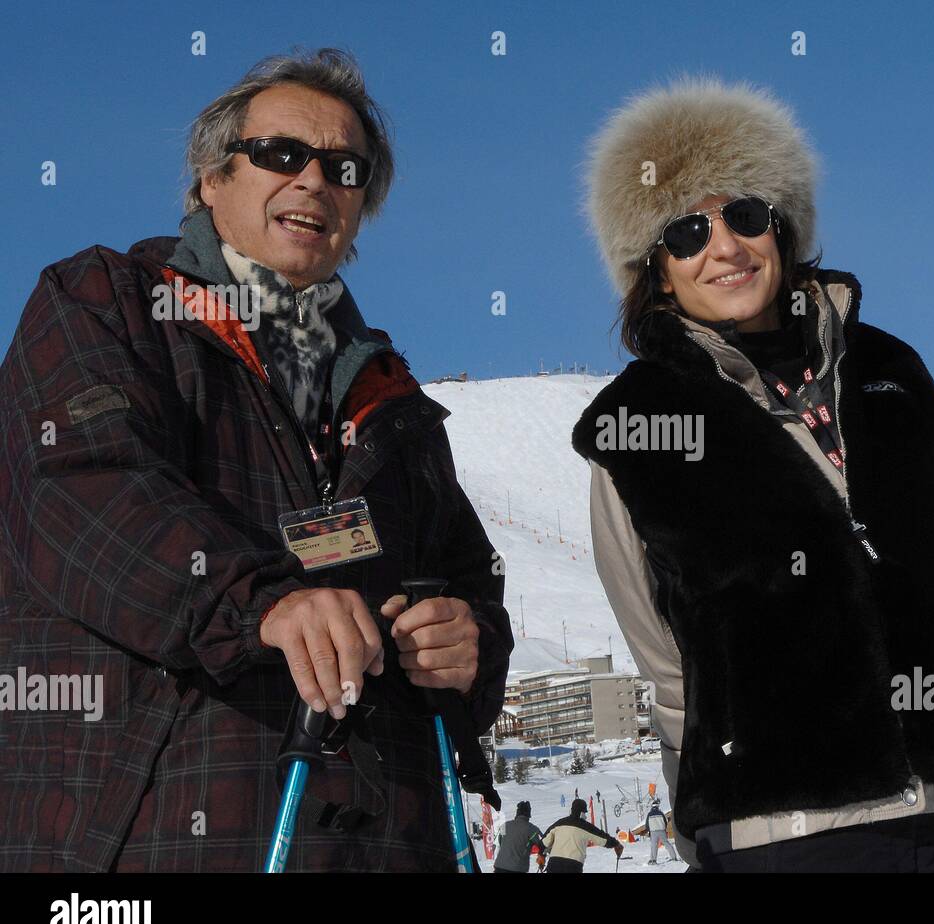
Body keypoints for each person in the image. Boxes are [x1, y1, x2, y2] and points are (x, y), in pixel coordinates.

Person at [0, 49, 513, 871]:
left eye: (344, 168)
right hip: (155, 841)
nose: (314, 180)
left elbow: (467, 576)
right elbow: (83, 493)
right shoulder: (105, 304)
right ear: (211, 178)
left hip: (390, 840)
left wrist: (472, 643)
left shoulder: (395, 403)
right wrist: (261, 601)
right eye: (281, 154)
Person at [574, 77, 934, 872]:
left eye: (744, 214)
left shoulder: (892, 369)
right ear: (657, 267)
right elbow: (663, 657)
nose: (725, 246)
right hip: (783, 829)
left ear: (781, 226)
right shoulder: (638, 424)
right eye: (687, 231)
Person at [541, 799, 623, 873]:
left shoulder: (559, 823)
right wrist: (616, 844)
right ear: (582, 813)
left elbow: (544, 841)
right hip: (573, 865)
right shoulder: (585, 826)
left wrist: (541, 855)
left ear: (571, 810)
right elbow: (603, 839)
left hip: (554, 864)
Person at [494, 801, 545, 874]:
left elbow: (500, 843)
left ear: (517, 813)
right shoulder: (532, 829)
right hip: (518, 868)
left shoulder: (504, 825)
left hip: (499, 866)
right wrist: (542, 856)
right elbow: (543, 844)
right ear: (529, 814)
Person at [644, 798, 679, 864]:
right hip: (662, 831)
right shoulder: (661, 813)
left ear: (652, 806)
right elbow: (665, 822)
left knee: (654, 845)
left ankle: (653, 860)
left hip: (653, 831)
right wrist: (664, 828)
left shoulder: (649, 814)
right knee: (667, 843)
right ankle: (673, 857)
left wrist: (649, 831)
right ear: (657, 806)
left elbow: (647, 824)